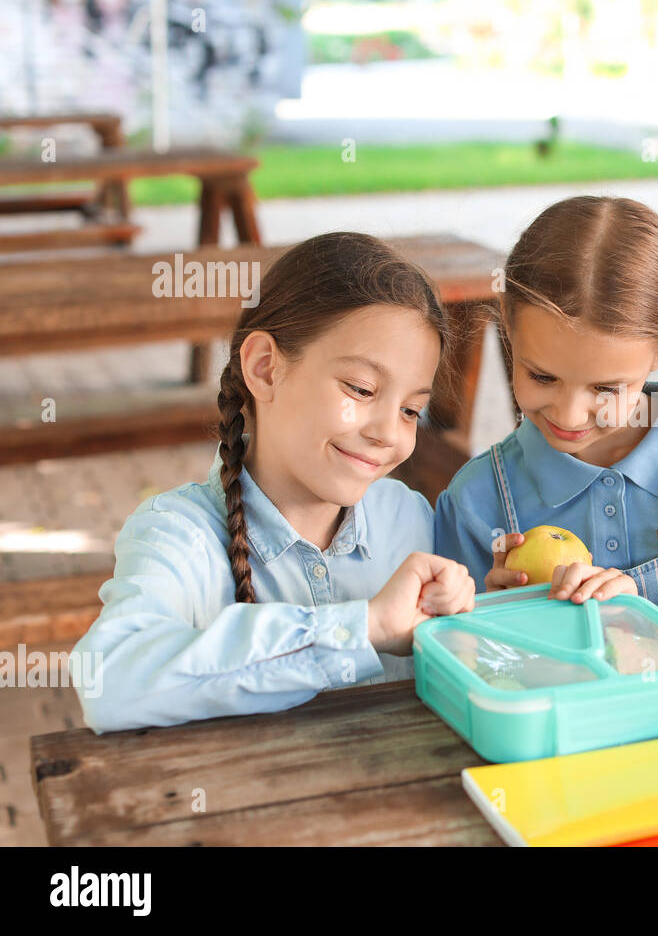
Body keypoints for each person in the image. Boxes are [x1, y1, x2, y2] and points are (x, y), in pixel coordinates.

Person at [71, 232, 481, 733]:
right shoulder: (178, 535)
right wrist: (364, 627)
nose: (386, 433)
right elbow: (109, 684)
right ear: (265, 368)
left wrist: (509, 606)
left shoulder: (409, 518)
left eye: (411, 410)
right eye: (361, 389)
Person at [434, 196, 658, 638]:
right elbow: (468, 668)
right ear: (507, 320)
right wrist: (495, 620)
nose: (568, 413)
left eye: (604, 388)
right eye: (542, 376)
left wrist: (637, 622)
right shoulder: (474, 500)